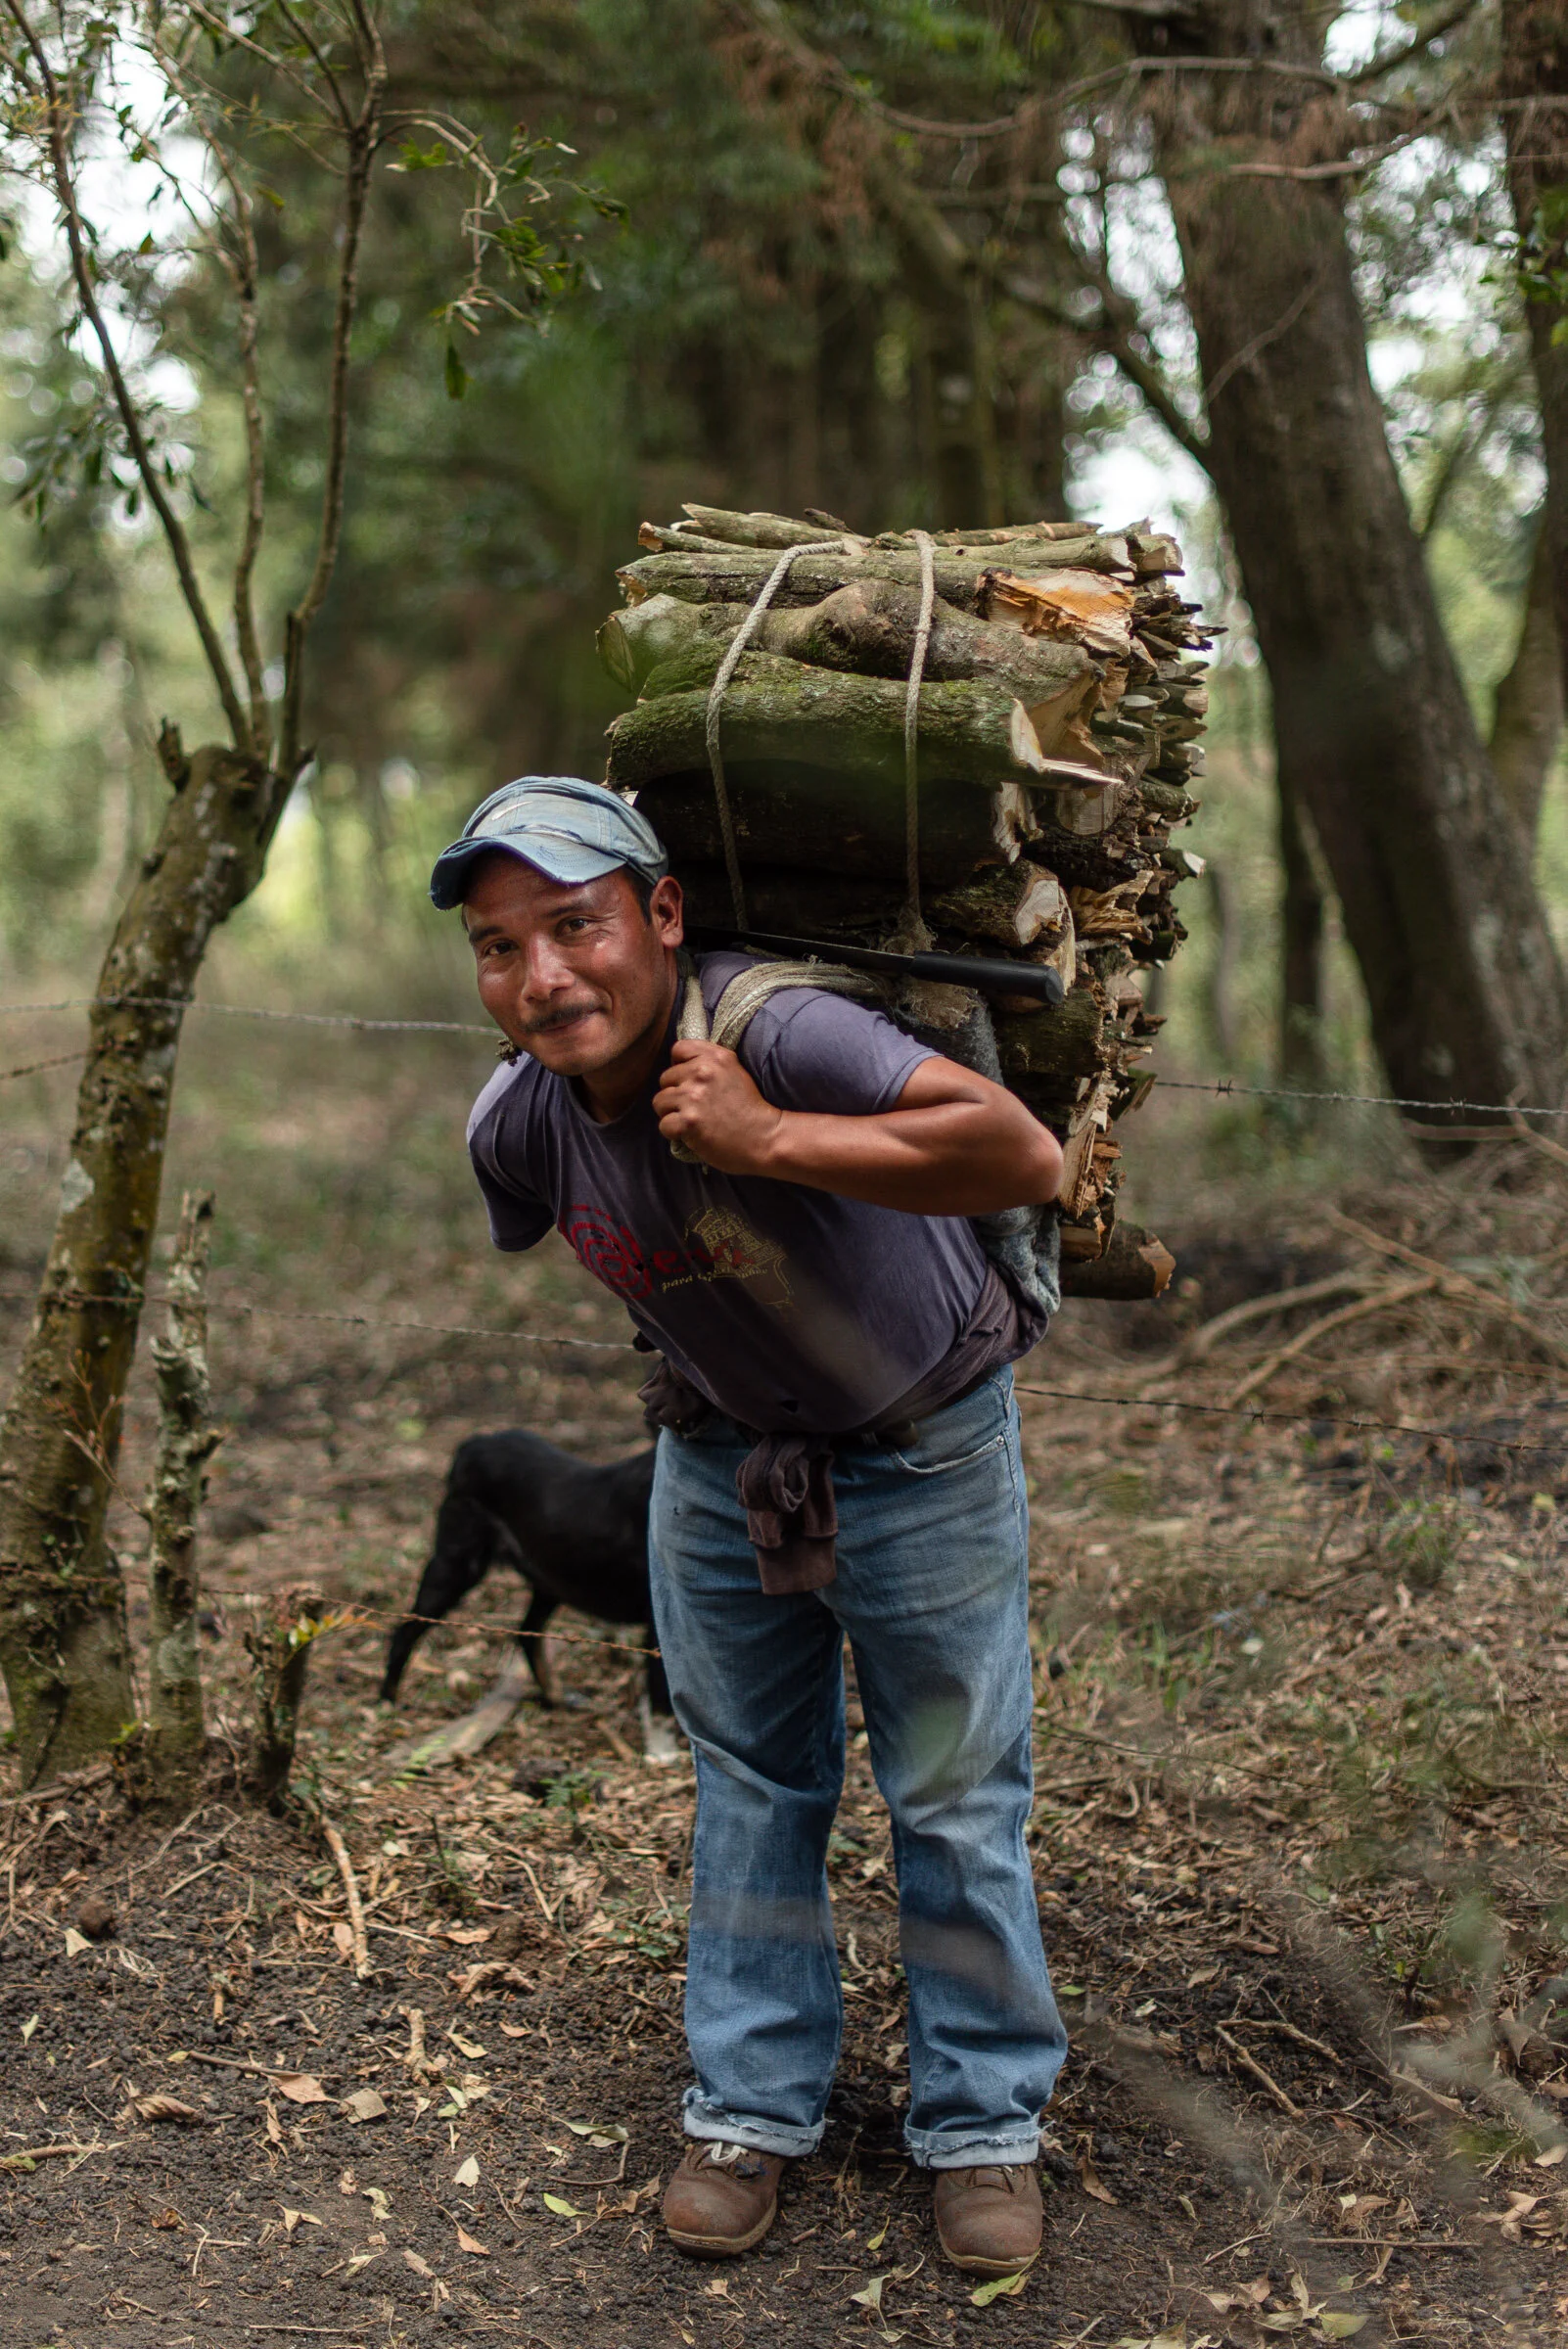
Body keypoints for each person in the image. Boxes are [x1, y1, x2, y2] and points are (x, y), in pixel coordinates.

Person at [430, 775, 1069, 2279]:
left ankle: (980, 2127)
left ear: (661, 914)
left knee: (951, 1796)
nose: (541, 976)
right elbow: (627, 1238)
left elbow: (1019, 1157)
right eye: (499, 947)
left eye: (574, 927)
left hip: (923, 1449)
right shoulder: (514, 1126)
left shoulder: (776, 1034)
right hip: (717, 1464)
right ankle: (748, 2109)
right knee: (751, 1788)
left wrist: (770, 1138)